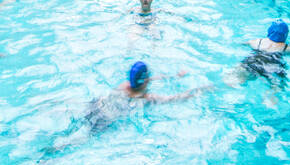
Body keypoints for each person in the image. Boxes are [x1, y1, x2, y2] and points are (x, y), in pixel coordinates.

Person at [54, 62, 209, 145]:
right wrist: (201, 90)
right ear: (145, 80)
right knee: (76, 142)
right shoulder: (145, 99)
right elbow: (177, 98)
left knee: (68, 131)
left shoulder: (125, 85)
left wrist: (173, 76)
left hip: (94, 107)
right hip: (104, 121)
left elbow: (144, 78)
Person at [233, 20, 290, 87]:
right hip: (272, 66)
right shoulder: (286, 48)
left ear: (269, 31)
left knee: (237, 77)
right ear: (285, 35)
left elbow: (241, 44)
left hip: (254, 62)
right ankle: (269, 99)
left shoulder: (257, 41)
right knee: (279, 86)